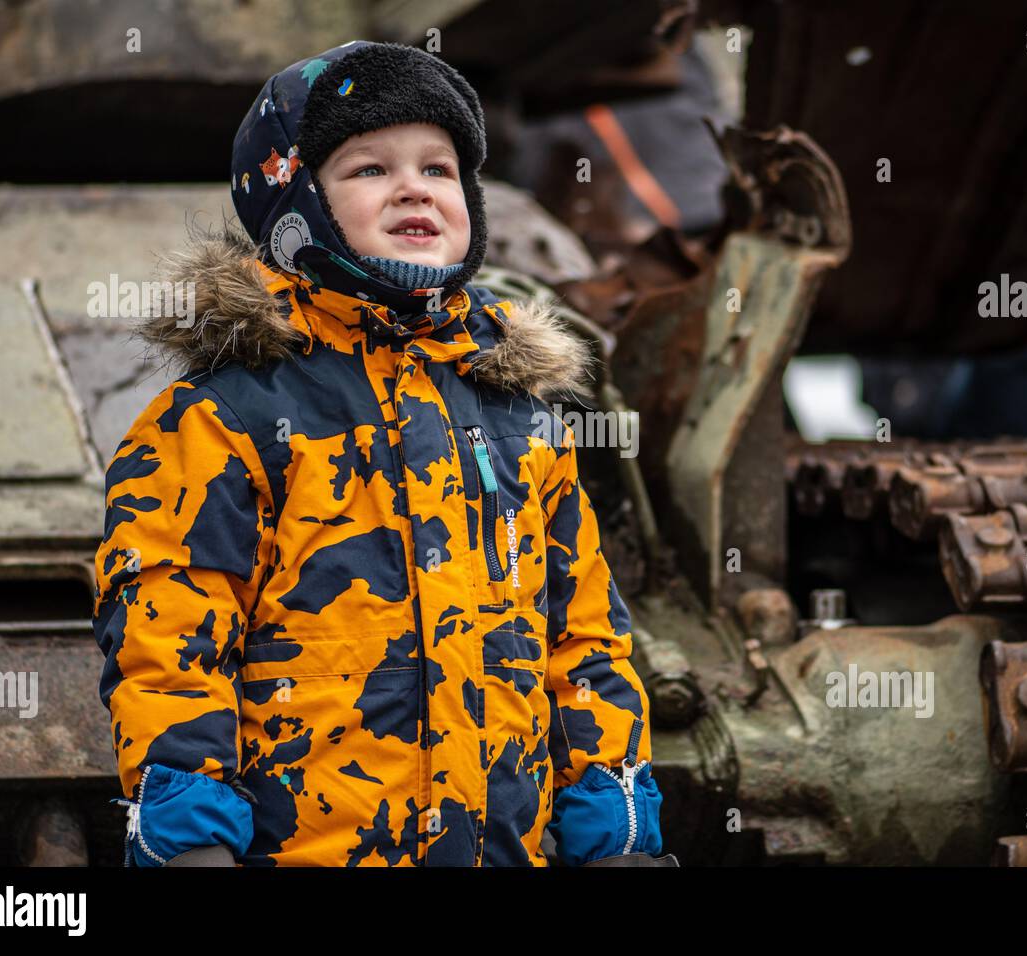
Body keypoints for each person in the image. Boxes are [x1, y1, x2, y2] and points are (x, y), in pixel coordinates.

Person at [92, 40, 670, 867]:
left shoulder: (522, 421)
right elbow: (171, 637)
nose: (414, 187)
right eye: (369, 169)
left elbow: (584, 639)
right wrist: (190, 840)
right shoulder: (228, 417)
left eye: (440, 168)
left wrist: (612, 827)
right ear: (296, 206)